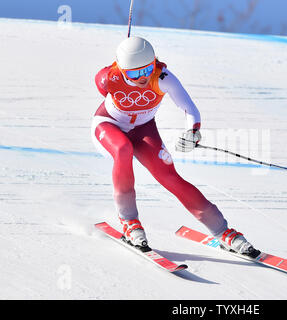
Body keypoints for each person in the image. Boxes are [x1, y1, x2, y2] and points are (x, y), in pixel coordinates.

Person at [92, 36, 258, 256]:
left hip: (143, 129)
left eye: (147, 69)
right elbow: (105, 82)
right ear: (122, 70)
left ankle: (223, 232)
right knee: (123, 150)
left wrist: (193, 131)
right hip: (108, 125)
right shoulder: (107, 78)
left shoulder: (163, 78)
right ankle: (129, 221)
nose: (142, 78)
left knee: (170, 176)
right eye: (134, 73)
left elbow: (189, 108)